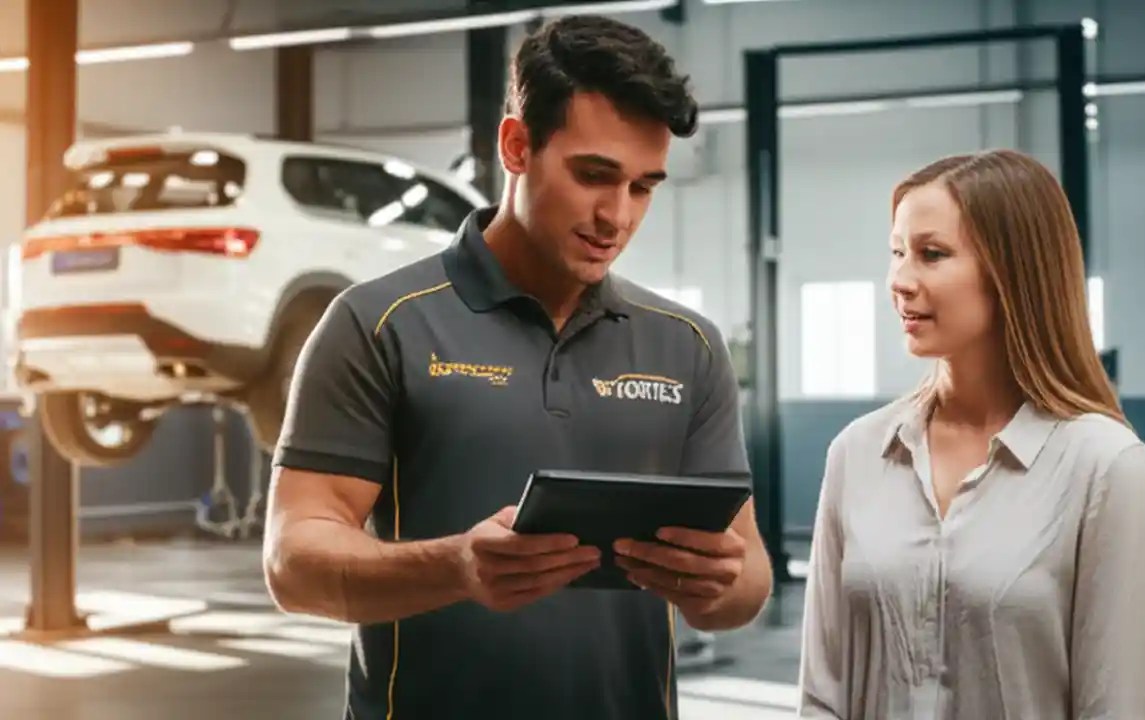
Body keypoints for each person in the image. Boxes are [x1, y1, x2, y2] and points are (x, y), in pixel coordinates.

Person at [261, 14, 772, 720]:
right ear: (516, 145)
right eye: (593, 175)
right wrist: (457, 568)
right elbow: (294, 565)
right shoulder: (378, 324)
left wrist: (719, 584)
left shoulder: (686, 346)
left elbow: (747, 583)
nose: (616, 216)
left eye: (643, 187)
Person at [798, 149, 1145, 719]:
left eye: (931, 254)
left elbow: (1118, 708)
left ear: (1012, 270)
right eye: (897, 253)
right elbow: (822, 696)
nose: (899, 280)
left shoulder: (1106, 466)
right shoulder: (857, 453)